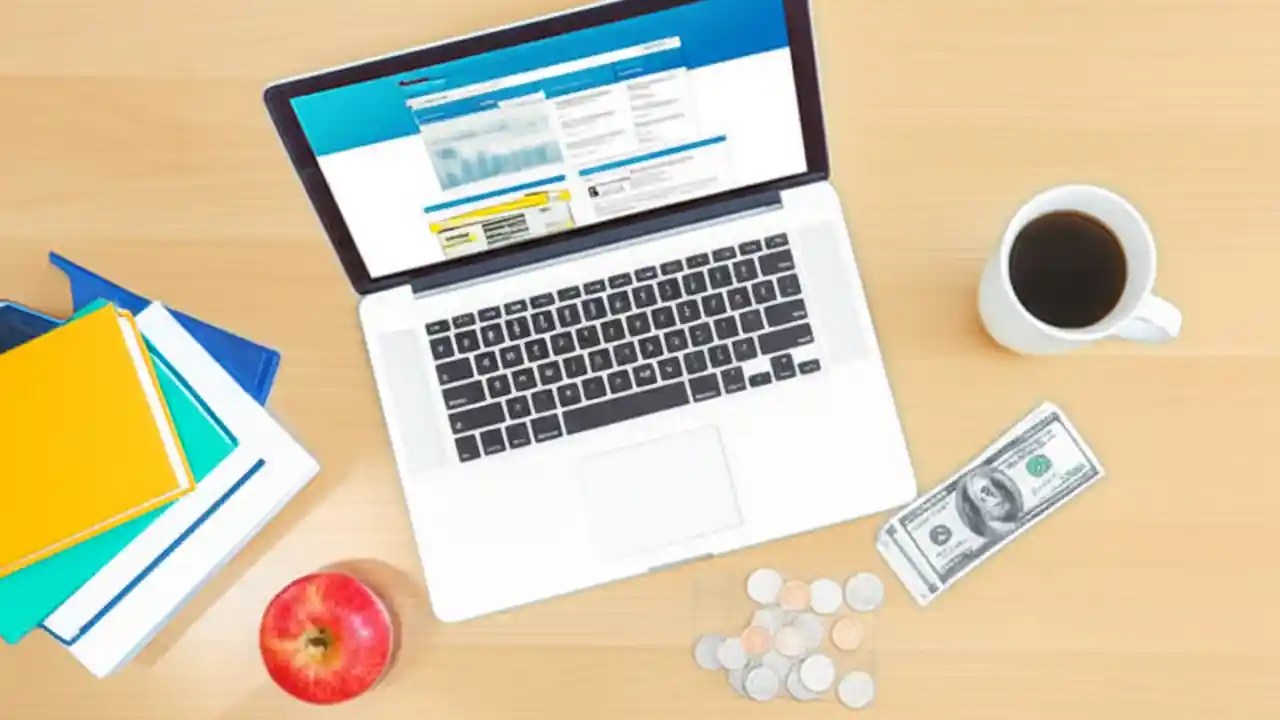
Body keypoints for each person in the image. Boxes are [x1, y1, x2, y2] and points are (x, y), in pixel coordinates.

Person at [956, 465, 1024, 539]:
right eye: (984, 492)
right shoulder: (993, 529)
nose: (996, 495)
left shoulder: (1014, 512)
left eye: (996, 487)